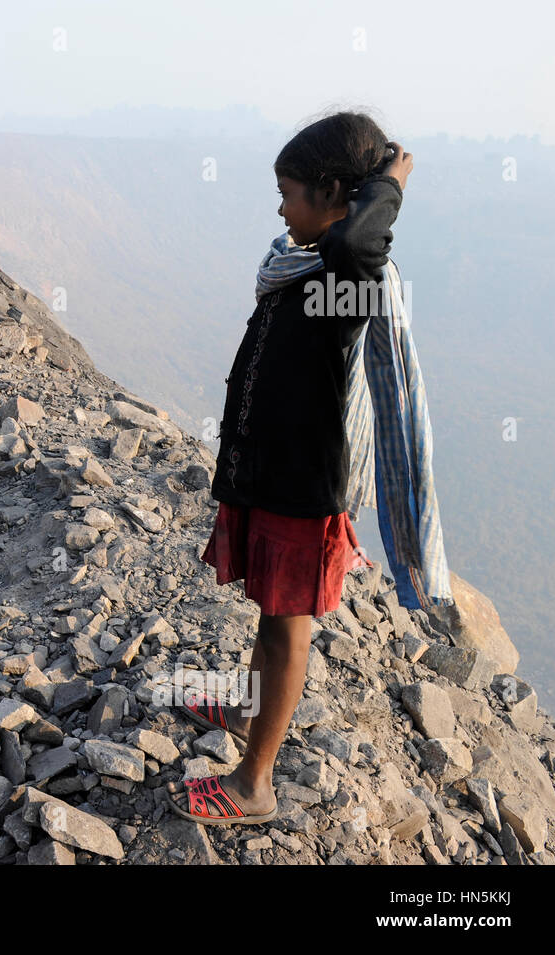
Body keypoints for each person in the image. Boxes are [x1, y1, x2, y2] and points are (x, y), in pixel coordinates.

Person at [168, 112, 442, 826]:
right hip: (269, 476)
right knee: (268, 620)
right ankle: (243, 707)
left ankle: (254, 784)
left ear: (333, 195)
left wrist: (387, 185)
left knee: (287, 630)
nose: (280, 208)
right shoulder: (306, 264)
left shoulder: (349, 277)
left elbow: (360, 240)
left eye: (289, 192)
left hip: (303, 490)